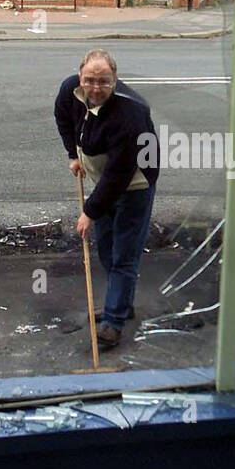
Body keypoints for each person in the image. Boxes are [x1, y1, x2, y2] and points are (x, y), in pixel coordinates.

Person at [53, 49, 159, 350]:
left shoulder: (131, 112)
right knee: (107, 248)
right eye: (90, 80)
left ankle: (113, 322)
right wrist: (73, 154)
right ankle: (121, 302)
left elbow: (119, 173)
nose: (96, 88)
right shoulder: (70, 90)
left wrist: (89, 211)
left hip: (134, 184)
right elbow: (63, 118)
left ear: (115, 79)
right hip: (105, 182)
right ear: (80, 76)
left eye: (104, 81)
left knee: (124, 254)